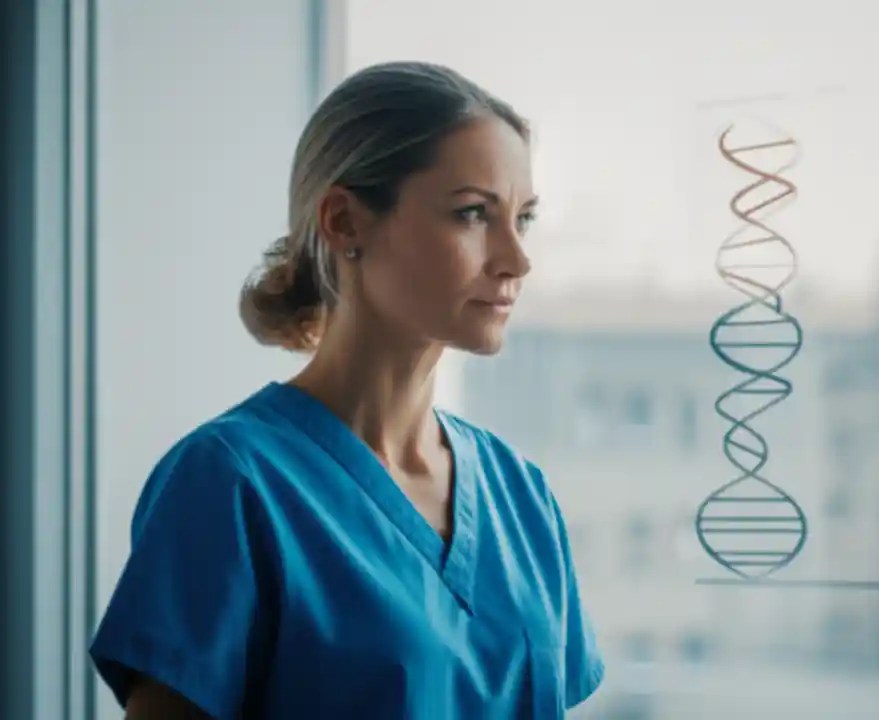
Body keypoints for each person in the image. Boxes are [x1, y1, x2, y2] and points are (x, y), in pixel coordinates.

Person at [89, 61, 604, 719]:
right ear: (344, 222)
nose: (516, 259)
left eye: (523, 219)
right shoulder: (231, 484)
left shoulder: (521, 495)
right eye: (473, 214)